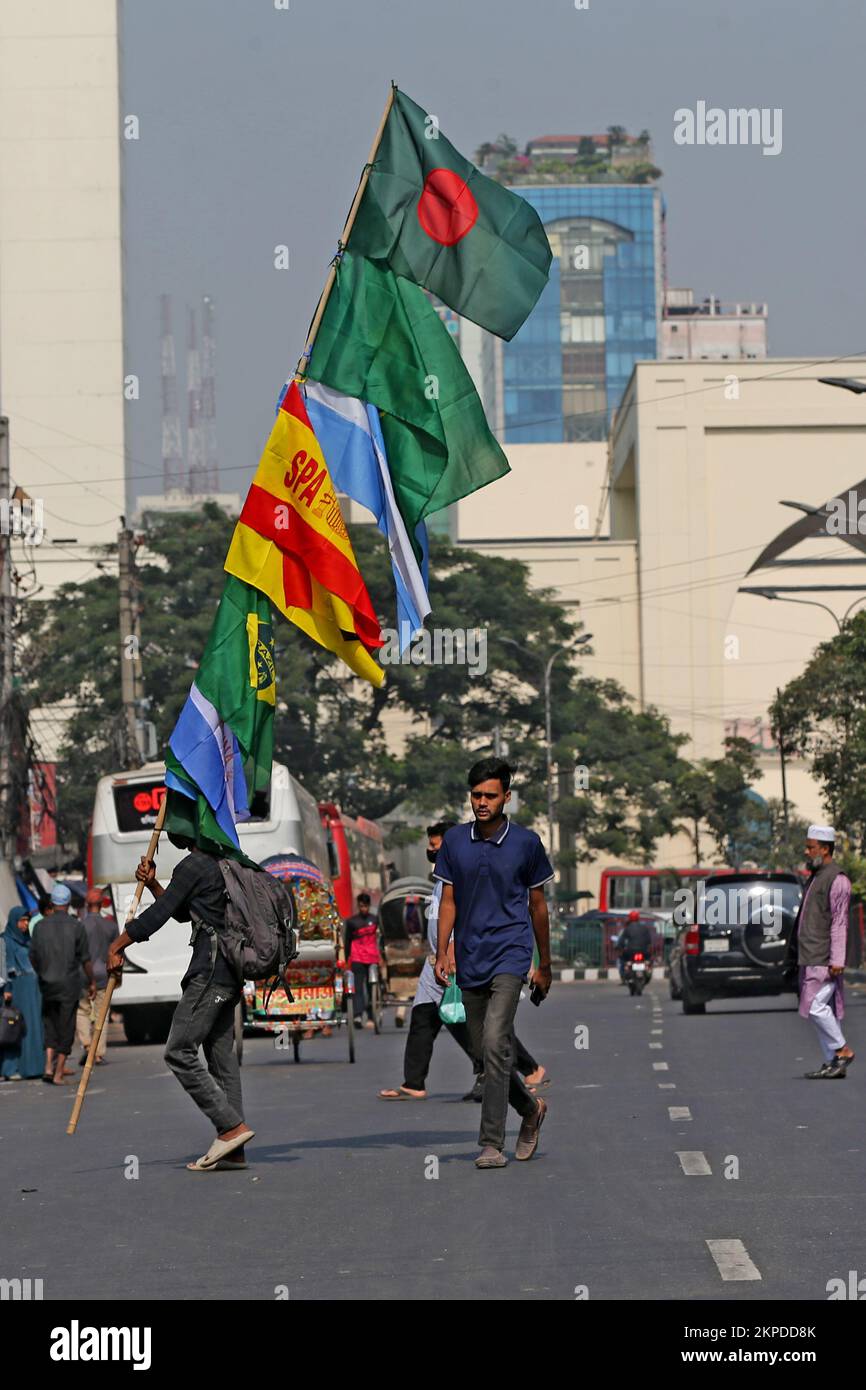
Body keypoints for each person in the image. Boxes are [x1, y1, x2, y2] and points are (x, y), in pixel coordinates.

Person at [107, 836, 255, 1172]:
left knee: (179, 1050)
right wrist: (155, 883)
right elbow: (184, 913)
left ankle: (231, 1128)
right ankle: (234, 1150)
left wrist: (117, 945)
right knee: (221, 1060)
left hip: (211, 970)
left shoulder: (194, 864)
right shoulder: (222, 862)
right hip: (231, 972)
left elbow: (158, 916)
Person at [434, 758, 553, 1169]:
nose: (481, 802)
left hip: (511, 954)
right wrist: (442, 949)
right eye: (476, 795)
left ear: (506, 797)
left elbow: (538, 907)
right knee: (484, 1053)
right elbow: (448, 900)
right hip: (470, 956)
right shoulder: (453, 841)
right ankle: (530, 1109)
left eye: (490, 795)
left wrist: (545, 965)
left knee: (495, 1041)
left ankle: (490, 1143)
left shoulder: (526, 843)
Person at [788, 825, 855, 1080]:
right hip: (810, 955)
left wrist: (837, 959)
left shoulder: (837, 879)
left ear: (825, 849)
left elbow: (839, 922)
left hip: (824, 957)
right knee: (820, 1008)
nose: (807, 851)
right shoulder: (816, 876)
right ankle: (832, 1061)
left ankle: (842, 1050)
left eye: (811, 847)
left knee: (816, 1007)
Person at [30, 884, 94, 1086]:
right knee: (66, 1028)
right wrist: (91, 981)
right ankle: (58, 1073)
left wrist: (42, 971)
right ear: (67, 903)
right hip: (68, 984)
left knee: (50, 1024)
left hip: (47, 984)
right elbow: (85, 959)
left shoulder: (40, 926)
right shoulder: (76, 926)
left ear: (53, 903)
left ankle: (48, 1066)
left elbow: (33, 956)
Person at [75, 887, 119, 1066]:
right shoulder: (111, 926)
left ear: (86, 904)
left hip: (83, 974)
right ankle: (98, 1052)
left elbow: (76, 953)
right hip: (105, 974)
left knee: (82, 1010)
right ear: (101, 904)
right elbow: (116, 953)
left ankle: (87, 1045)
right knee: (102, 1013)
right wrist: (119, 975)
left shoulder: (79, 926)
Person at [1, 908, 45, 1080]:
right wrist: (7, 991)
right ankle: (11, 1069)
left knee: (33, 1027)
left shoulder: (27, 940)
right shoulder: (6, 940)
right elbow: (4, 968)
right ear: (14, 921)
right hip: (17, 989)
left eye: (27, 920)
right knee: (14, 1028)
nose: (26, 924)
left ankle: (33, 1067)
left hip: (33, 989)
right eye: (22, 920)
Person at [343, 891, 380, 1030]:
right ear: (358, 906)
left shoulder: (375, 920)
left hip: (372, 958)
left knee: (372, 988)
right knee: (358, 988)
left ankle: (371, 1016)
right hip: (357, 958)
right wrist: (347, 959)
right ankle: (358, 1015)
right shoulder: (352, 922)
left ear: (369, 906)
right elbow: (347, 941)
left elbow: (380, 939)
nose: (363, 908)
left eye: (365, 906)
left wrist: (381, 957)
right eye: (361, 906)